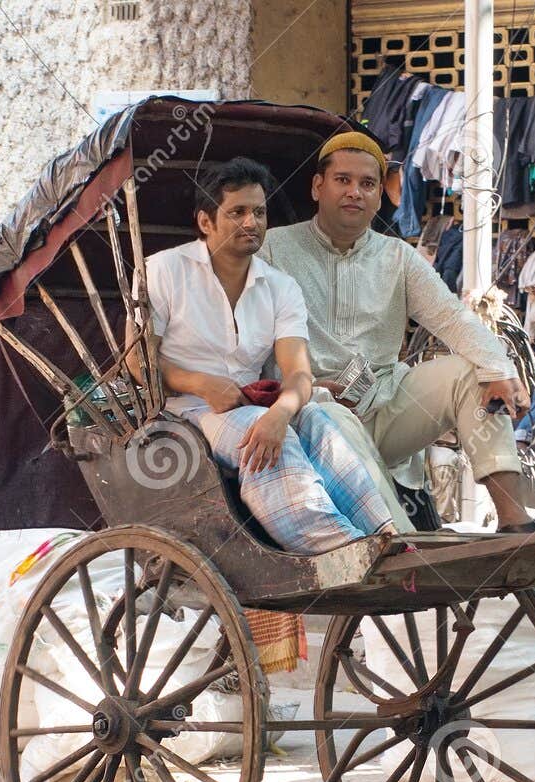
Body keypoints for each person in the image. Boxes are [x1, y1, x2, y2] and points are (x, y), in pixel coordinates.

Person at [261, 131, 535, 532]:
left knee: (470, 373)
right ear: (317, 186)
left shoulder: (397, 256)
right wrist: (303, 386)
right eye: (343, 180)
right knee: (329, 414)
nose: (354, 192)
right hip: (310, 412)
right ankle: (403, 544)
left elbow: (452, 318)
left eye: (367, 183)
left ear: (378, 196)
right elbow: (245, 341)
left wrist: (500, 368)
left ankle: (515, 522)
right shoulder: (272, 249)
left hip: (385, 402)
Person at [142, 157, 398, 555]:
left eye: (259, 212)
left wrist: (282, 412)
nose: (252, 223)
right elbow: (136, 363)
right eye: (238, 212)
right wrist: (199, 383)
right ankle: (338, 547)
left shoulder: (280, 287)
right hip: (181, 413)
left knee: (315, 415)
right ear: (206, 222)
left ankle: (385, 536)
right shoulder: (162, 271)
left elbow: (298, 372)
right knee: (258, 426)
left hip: (252, 405)